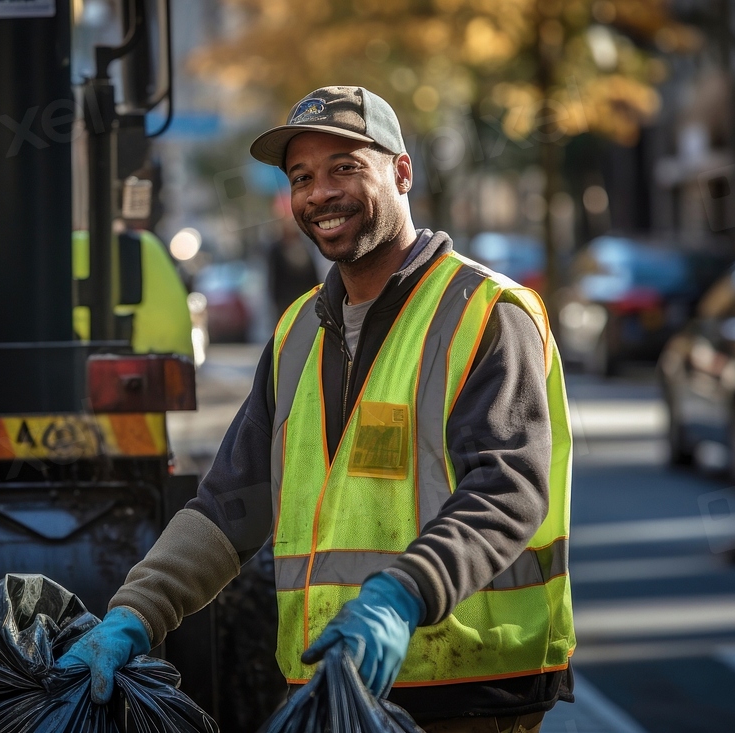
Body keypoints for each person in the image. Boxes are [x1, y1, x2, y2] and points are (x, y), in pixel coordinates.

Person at [58, 86, 575, 733]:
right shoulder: (299, 330)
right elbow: (229, 507)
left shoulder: (485, 312)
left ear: (403, 171)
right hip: (328, 692)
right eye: (302, 177)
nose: (319, 193)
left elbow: (508, 490)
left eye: (344, 168)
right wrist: (134, 614)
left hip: (467, 692)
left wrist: (399, 596)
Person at [267, 195, 322, 322]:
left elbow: (315, 276)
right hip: (286, 308)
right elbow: (273, 284)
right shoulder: (276, 249)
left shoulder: (309, 244)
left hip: (309, 306)